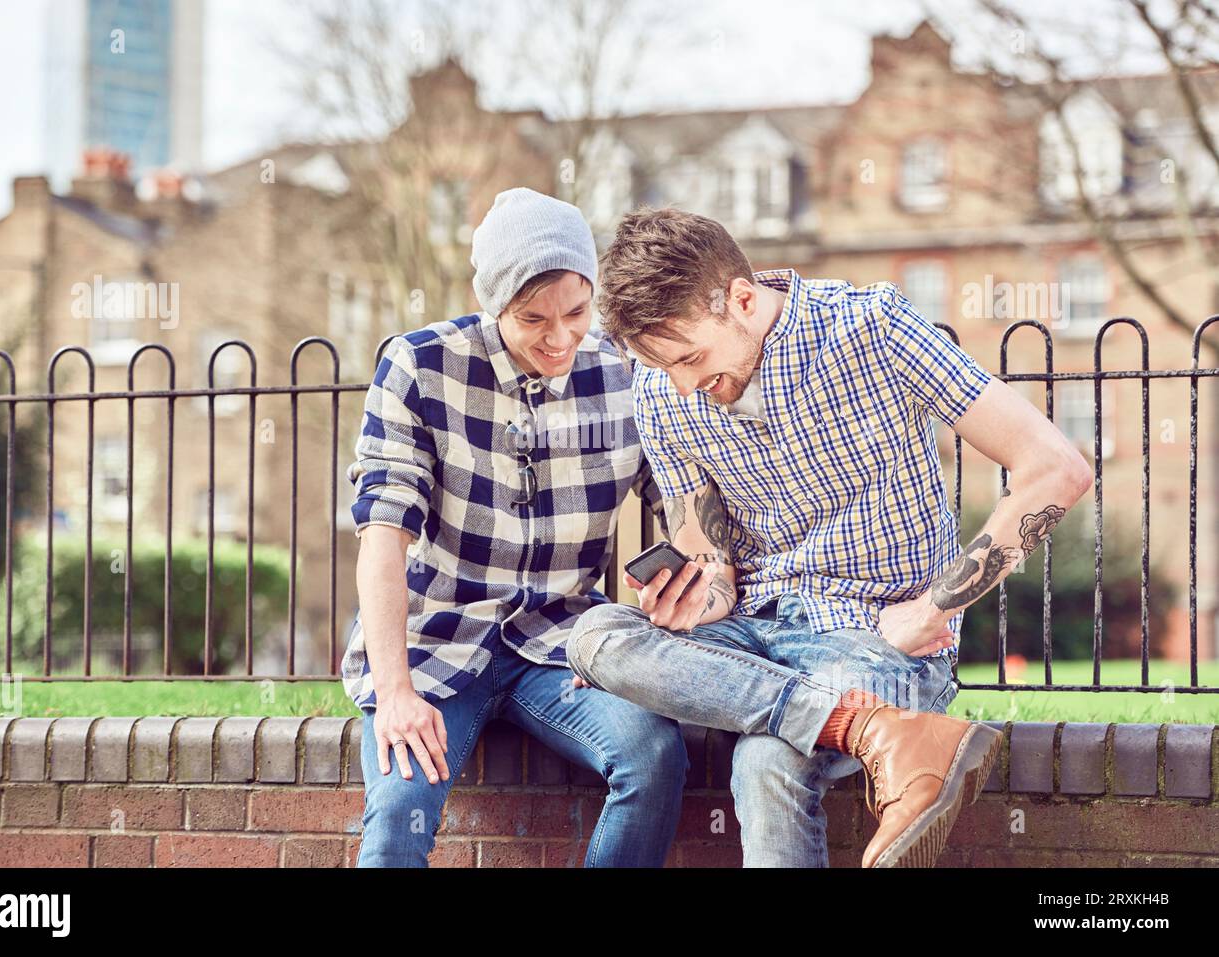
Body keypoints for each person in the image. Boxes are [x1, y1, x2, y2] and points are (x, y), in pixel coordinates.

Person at [568, 206, 1093, 867]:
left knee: (766, 760)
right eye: (664, 366)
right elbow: (713, 560)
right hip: (753, 636)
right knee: (596, 637)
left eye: (692, 358)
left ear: (744, 298)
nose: (684, 385)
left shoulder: (871, 327)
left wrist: (936, 610)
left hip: (872, 639)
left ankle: (876, 721)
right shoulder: (662, 392)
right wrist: (695, 599)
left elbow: (1055, 467)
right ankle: (882, 733)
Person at [342, 188, 688, 867]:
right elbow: (383, 536)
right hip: (430, 644)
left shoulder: (623, 372)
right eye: (534, 318)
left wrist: (677, 564)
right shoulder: (419, 367)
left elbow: (683, 498)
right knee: (396, 821)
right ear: (494, 302)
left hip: (564, 645)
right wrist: (397, 693)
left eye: (578, 312)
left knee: (654, 755)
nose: (561, 337)